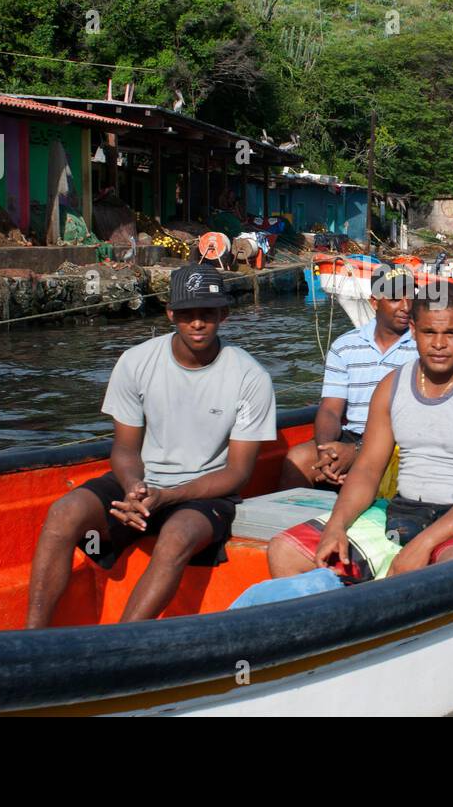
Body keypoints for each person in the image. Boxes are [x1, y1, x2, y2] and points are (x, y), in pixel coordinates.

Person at [25, 265, 277, 627]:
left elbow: (237, 473)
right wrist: (134, 489)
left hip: (204, 493)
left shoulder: (251, 378)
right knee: (63, 513)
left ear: (223, 314)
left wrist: (169, 496)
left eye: (207, 314)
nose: (197, 324)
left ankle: (121, 644)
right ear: (170, 314)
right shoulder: (136, 361)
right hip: (143, 483)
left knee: (176, 536)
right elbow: (125, 449)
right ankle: (32, 638)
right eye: (187, 314)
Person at [266, 281, 453, 581]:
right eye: (429, 332)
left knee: (449, 571)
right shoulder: (391, 386)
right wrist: (336, 526)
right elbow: (367, 471)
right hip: (402, 511)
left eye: (451, 333)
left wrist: (422, 545)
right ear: (414, 330)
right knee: (284, 550)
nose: (439, 344)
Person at [278, 265, 418, 489]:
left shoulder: (424, 346)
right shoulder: (344, 346)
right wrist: (326, 452)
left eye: (410, 297)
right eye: (395, 299)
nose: (406, 306)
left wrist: (358, 451)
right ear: (374, 302)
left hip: (403, 442)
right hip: (354, 435)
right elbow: (330, 409)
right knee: (299, 460)